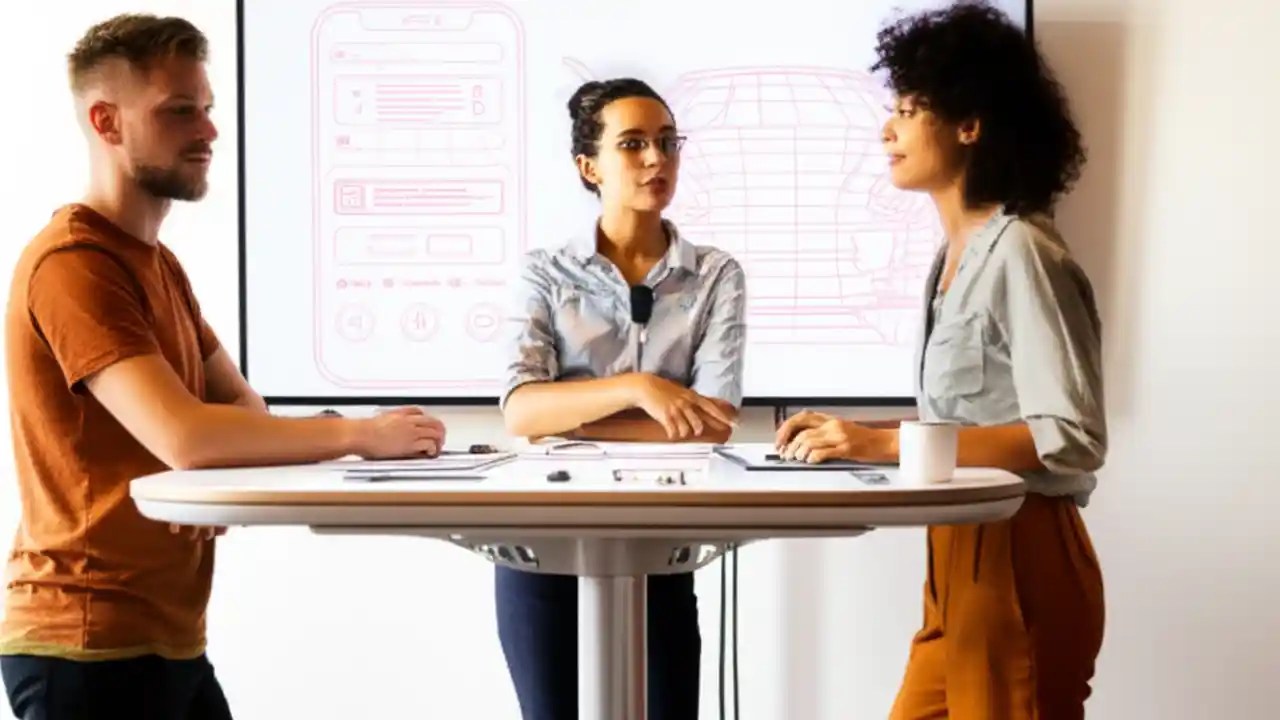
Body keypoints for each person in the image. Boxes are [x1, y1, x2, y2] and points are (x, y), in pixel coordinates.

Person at [0, 14, 446, 719]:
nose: (209, 130)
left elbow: (242, 411)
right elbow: (189, 436)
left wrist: (208, 461)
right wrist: (361, 434)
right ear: (106, 121)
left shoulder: (158, 266)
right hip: (85, 642)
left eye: (206, 109)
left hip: (166, 639)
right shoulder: (75, 266)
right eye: (179, 111)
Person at [775, 3, 1106, 718]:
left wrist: (885, 444)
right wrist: (854, 434)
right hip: (955, 559)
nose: (887, 130)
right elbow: (968, 419)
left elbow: (1071, 436)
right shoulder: (949, 260)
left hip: (1020, 551)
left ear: (969, 125)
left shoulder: (1022, 252)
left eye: (908, 109)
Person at [496, 77, 747, 719]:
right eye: (633, 144)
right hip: (541, 542)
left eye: (667, 142)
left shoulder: (714, 274)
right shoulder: (546, 272)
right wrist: (642, 389)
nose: (656, 159)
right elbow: (522, 411)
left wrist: (569, 419)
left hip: (660, 541)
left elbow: (713, 424)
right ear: (590, 167)